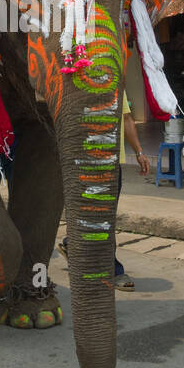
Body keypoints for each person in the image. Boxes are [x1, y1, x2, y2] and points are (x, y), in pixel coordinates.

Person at [58, 92, 147, 291]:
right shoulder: (75, 82)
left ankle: (72, 244)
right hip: (83, 162)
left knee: (106, 219)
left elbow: (126, 118)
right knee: (91, 217)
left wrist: (139, 152)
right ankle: (112, 270)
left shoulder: (115, 84)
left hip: (111, 163)